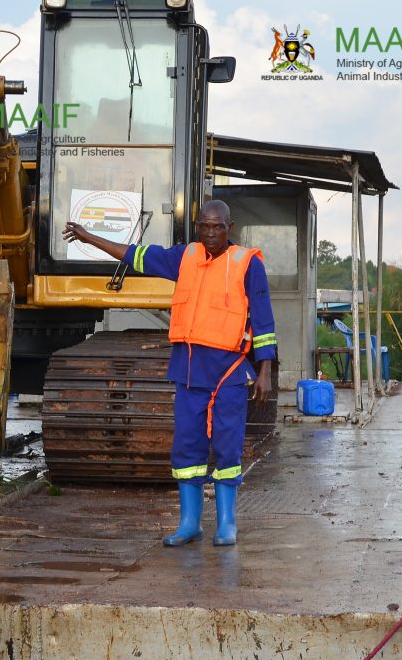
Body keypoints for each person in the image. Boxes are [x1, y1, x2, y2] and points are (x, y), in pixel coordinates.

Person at [63, 199, 276, 547]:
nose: (211, 233)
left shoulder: (247, 263)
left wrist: (264, 370)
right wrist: (90, 238)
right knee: (187, 448)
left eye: (218, 227)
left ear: (230, 227)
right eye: (205, 226)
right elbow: (136, 256)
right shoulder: (184, 257)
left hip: (229, 373)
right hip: (189, 371)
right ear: (197, 226)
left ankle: (226, 524)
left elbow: (264, 319)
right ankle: (190, 523)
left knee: (228, 446)